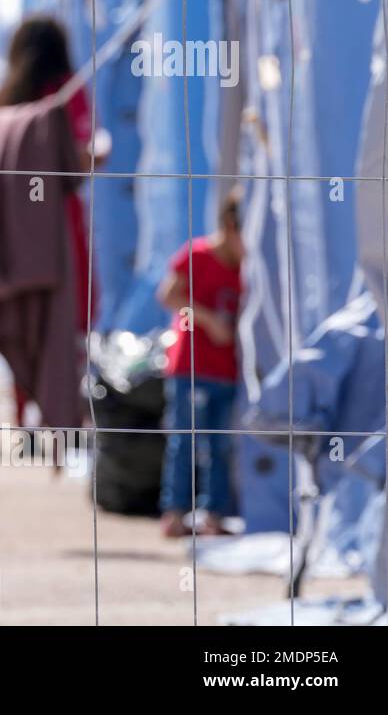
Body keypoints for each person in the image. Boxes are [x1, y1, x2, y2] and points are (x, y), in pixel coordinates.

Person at [0, 16, 106, 329]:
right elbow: (82, 156)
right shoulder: (66, 91)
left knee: (27, 302)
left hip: (14, 212)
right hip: (57, 210)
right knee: (71, 298)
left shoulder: (7, 96)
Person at [156, 190, 244, 538]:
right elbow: (169, 296)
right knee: (184, 441)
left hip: (227, 372)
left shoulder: (248, 268)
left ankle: (214, 514)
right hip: (190, 367)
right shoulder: (197, 255)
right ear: (229, 226)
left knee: (220, 445)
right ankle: (175, 512)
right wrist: (206, 319)